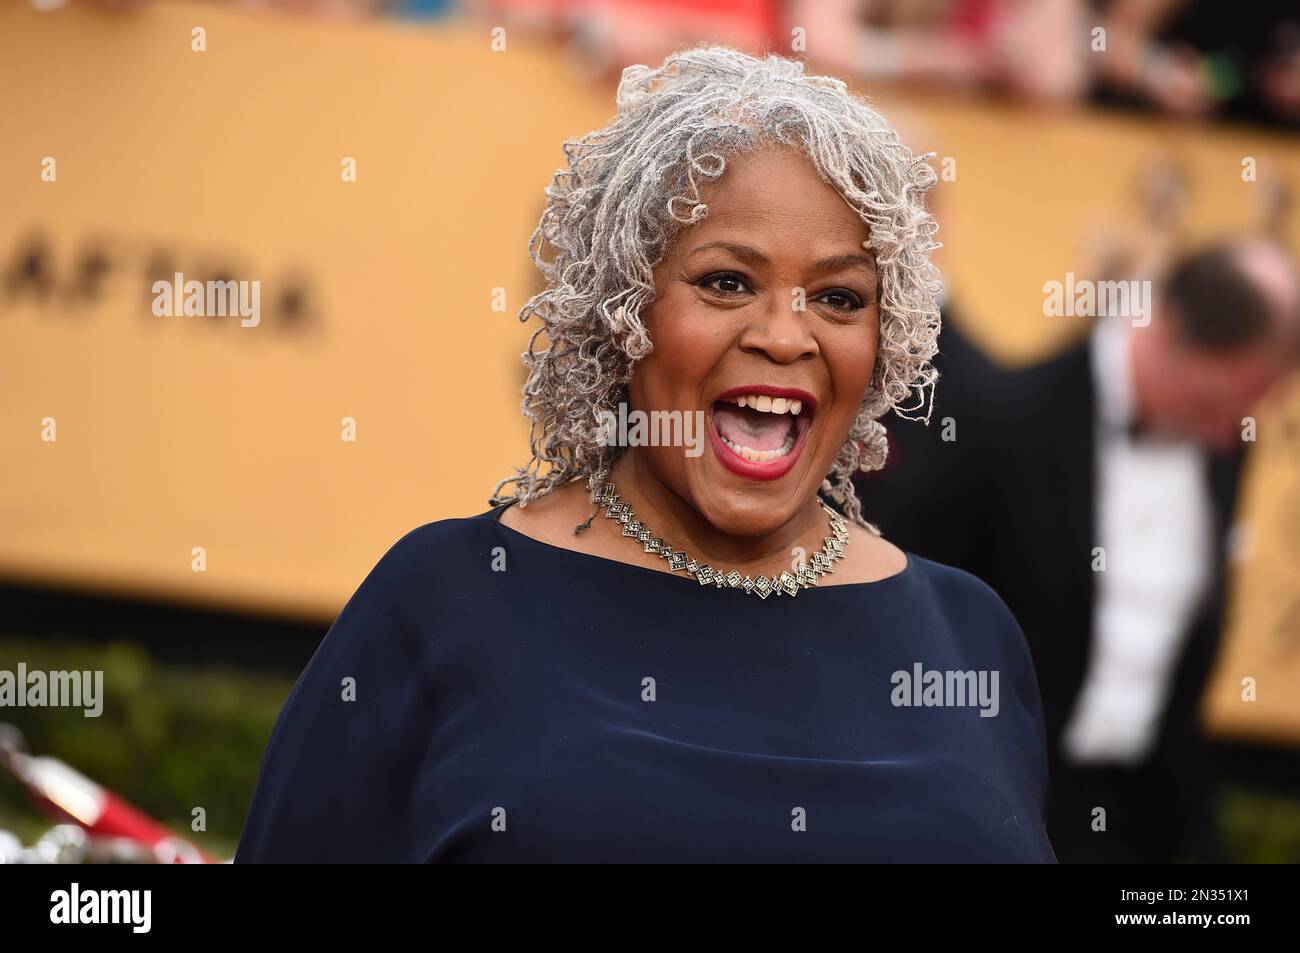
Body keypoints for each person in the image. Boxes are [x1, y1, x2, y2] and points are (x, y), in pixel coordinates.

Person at [235, 46, 1056, 863]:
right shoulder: (441, 603)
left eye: (839, 297)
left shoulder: (968, 636)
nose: (783, 335)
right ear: (622, 310)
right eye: (727, 282)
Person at [860, 237, 1300, 862]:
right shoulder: (1007, 421)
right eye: (1215, 403)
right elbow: (911, 616)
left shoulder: (1222, 441)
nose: (1230, 433)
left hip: (1143, 816)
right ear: (1167, 328)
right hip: (1006, 798)